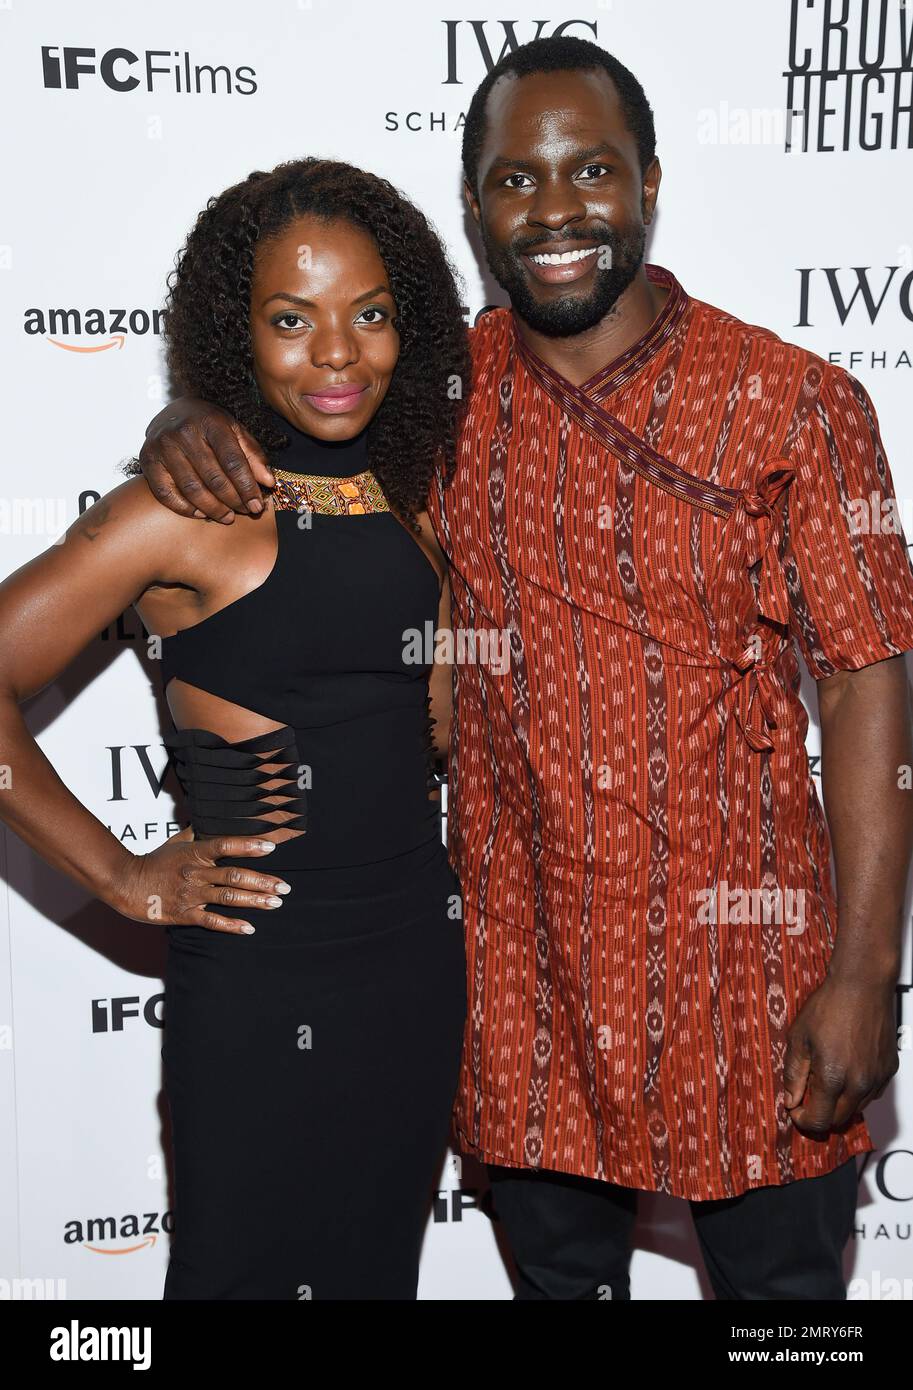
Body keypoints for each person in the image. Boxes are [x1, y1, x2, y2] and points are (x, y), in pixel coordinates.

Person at [135, 39, 913, 1301]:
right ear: (473, 206)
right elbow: (288, 434)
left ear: (649, 182)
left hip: (752, 984)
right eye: (513, 180)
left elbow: (872, 675)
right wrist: (187, 417)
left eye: (590, 170)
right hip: (522, 987)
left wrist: (865, 971)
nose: (554, 211)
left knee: (787, 1317)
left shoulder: (794, 402)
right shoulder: (433, 397)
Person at [0, 157, 470, 1299]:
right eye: (290, 321)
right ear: (236, 333)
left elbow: (433, 726)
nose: (337, 353)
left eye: (368, 314)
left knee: (373, 1276)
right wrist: (117, 873)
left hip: (414, 960)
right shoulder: (189, 503)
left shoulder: (411, 491)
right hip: (263, 980)